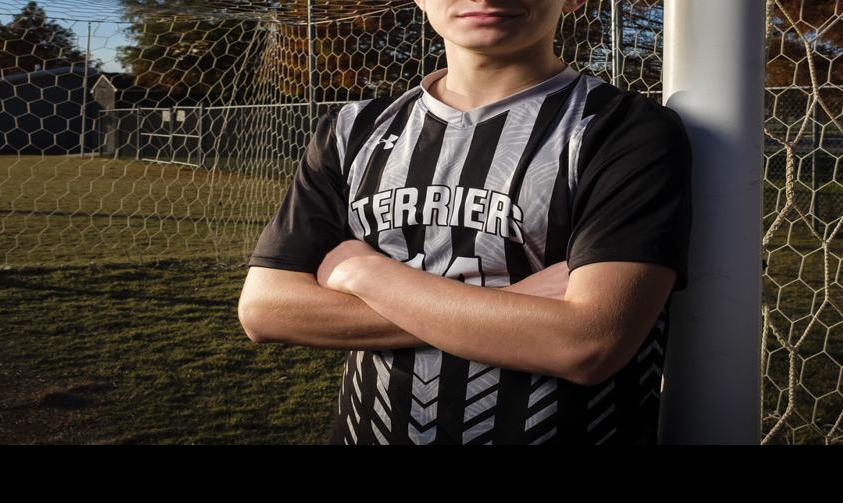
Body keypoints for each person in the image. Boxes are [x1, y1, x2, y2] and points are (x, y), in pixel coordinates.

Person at [238, 0, 693, 445]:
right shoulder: (351, 130)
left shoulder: (624, 129)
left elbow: (587, 345)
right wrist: (514, 305)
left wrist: (361, 273)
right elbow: (266, 309)